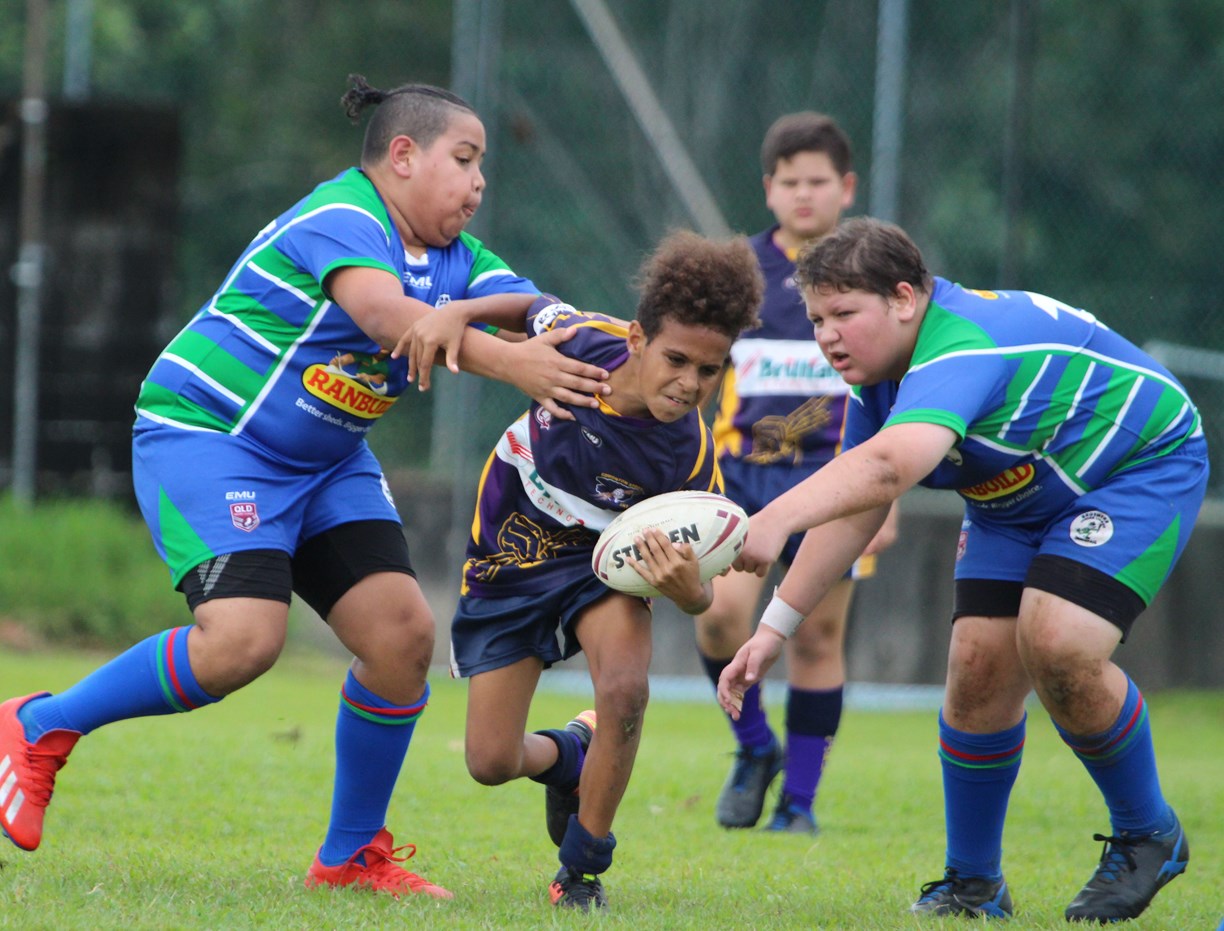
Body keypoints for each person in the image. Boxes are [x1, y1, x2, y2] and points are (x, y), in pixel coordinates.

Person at [0, 75, 614, 900]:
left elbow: (545, 313)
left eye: (482, 166)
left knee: (401, 640)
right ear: (401, 156)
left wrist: (637, 350)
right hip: (210, 435)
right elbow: (384, 316)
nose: (478, 182)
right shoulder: (344, 215)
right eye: (463, 159)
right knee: (243, 642)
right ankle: (36, 725)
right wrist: (512, 360)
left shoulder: (464, 263)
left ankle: (350, 857)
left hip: (326, 462)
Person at [718, 217, 1206, 923]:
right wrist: (771, 630)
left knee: (1059, 641)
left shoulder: (961, 343)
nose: (826, 334)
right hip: (1013, 496)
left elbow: (890, 465)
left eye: (844, 314)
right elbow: (860, 504)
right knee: (977, 670)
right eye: (818, 316)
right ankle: (974, 885)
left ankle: (1149, 833)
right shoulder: (880, 379)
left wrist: (772, 517)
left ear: (906, 298)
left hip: (1134, 468)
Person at [410, 230, 762, 911]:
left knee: (626, 689)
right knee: (489, 760)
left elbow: (701, 579)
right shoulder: (585, 342)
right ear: (637, 338)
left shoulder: (687, 458)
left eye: (709, 371)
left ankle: (581, 870)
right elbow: (529, 305)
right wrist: (458, 313)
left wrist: (691, 594)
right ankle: (574, 754)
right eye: (677, 359)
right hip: (510, 557)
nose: (689, 383)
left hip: (603, 569)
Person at [696, 111, 897, 834]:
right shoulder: (739, 272)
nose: (804, 195)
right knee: (719, 617)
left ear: (846, 187)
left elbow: (902, 392)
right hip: (740, 480)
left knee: (815, 638)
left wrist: (888, 494)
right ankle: (754, 747)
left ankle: (799, 804)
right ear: (769, 189)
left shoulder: (877, 276)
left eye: (818, 181)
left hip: (836, 486)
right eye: (790, 182)